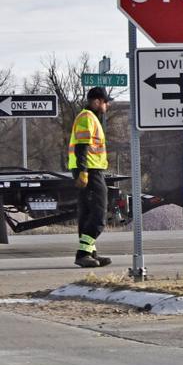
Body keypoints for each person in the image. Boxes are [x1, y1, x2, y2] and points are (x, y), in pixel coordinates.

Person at [69, 87, 113, 267]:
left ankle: (91, 253)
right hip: (90, 170)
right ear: (97, 101)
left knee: (88, 213)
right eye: (105, 101)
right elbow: (82, 146)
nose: (107, 105)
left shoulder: (89, 117)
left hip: (89, 169)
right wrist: (83, 171)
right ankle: (83, 253)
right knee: (98, 214)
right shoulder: (87, 117)